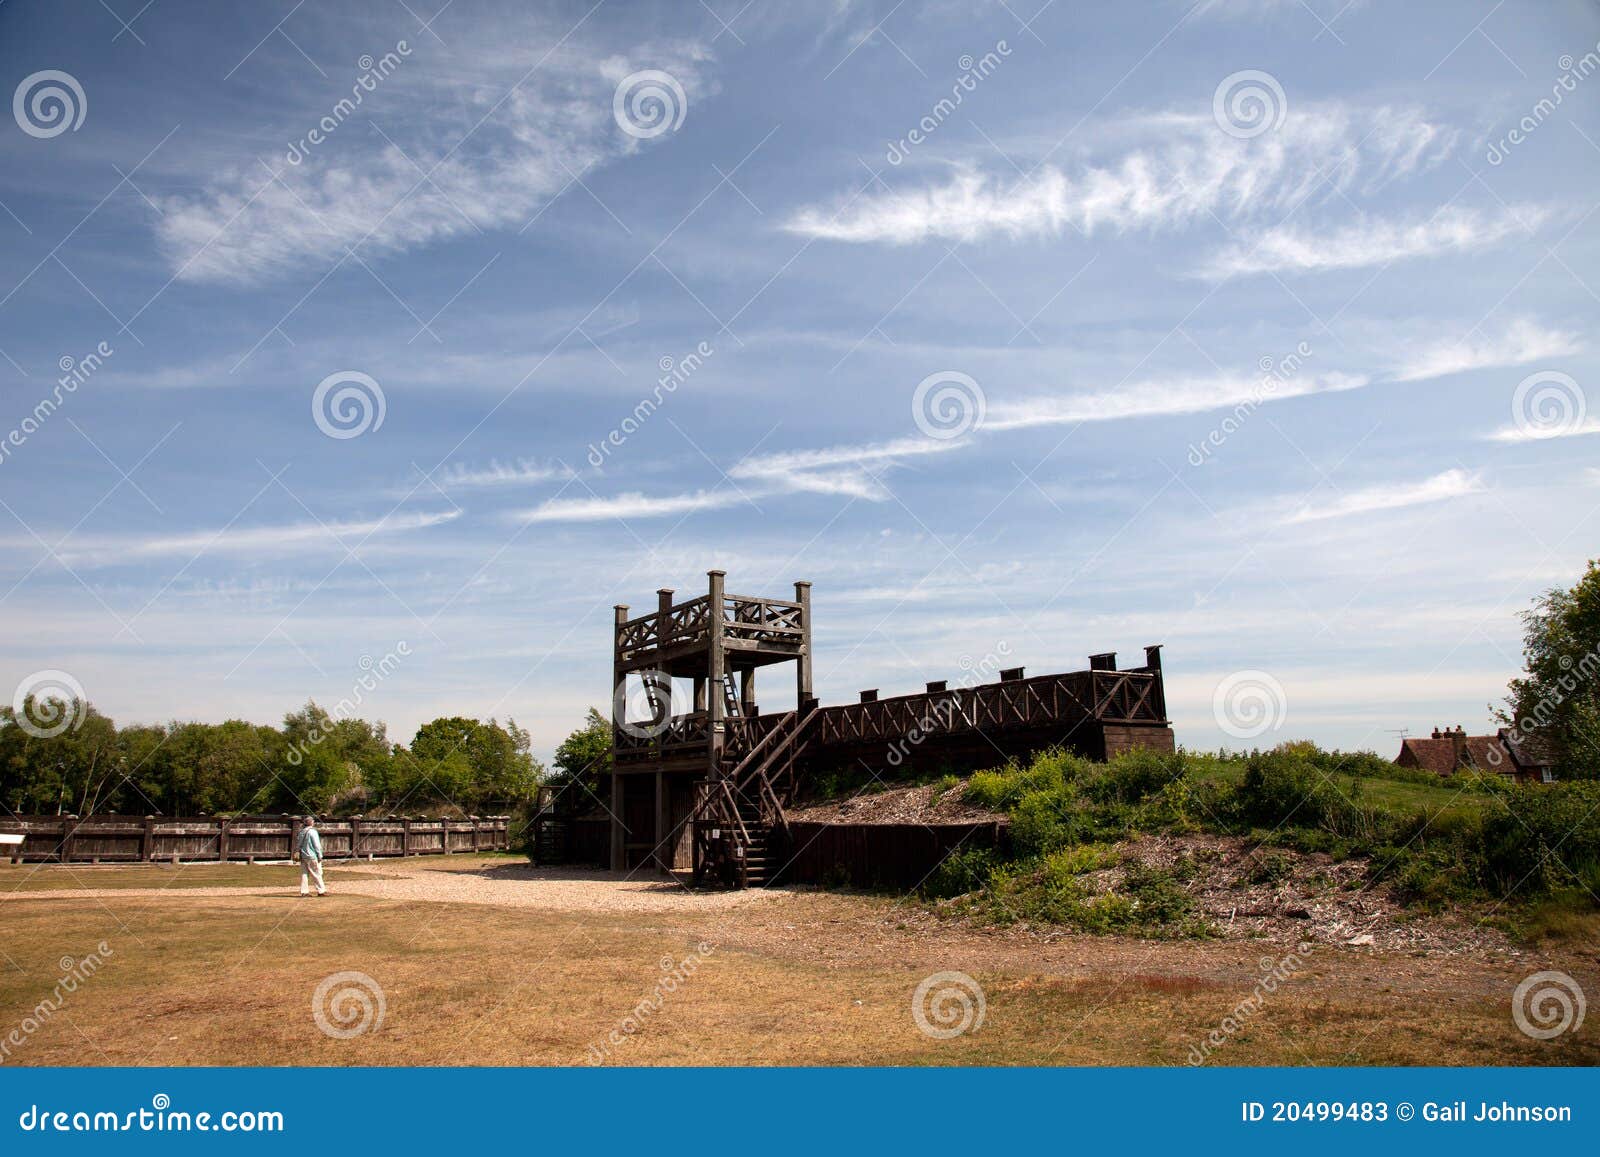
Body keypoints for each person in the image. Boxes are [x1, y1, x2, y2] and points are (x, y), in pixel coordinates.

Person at [296, 815, 326, 897]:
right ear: (311, 822)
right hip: (312, 855)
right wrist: (320, 855)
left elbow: (298, 845)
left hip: (303, 855)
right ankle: (321, 891)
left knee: (304, 874)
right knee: (316, 873)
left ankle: (304, 892)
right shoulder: (312, 831)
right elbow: (316, 845)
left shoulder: (301, 831)